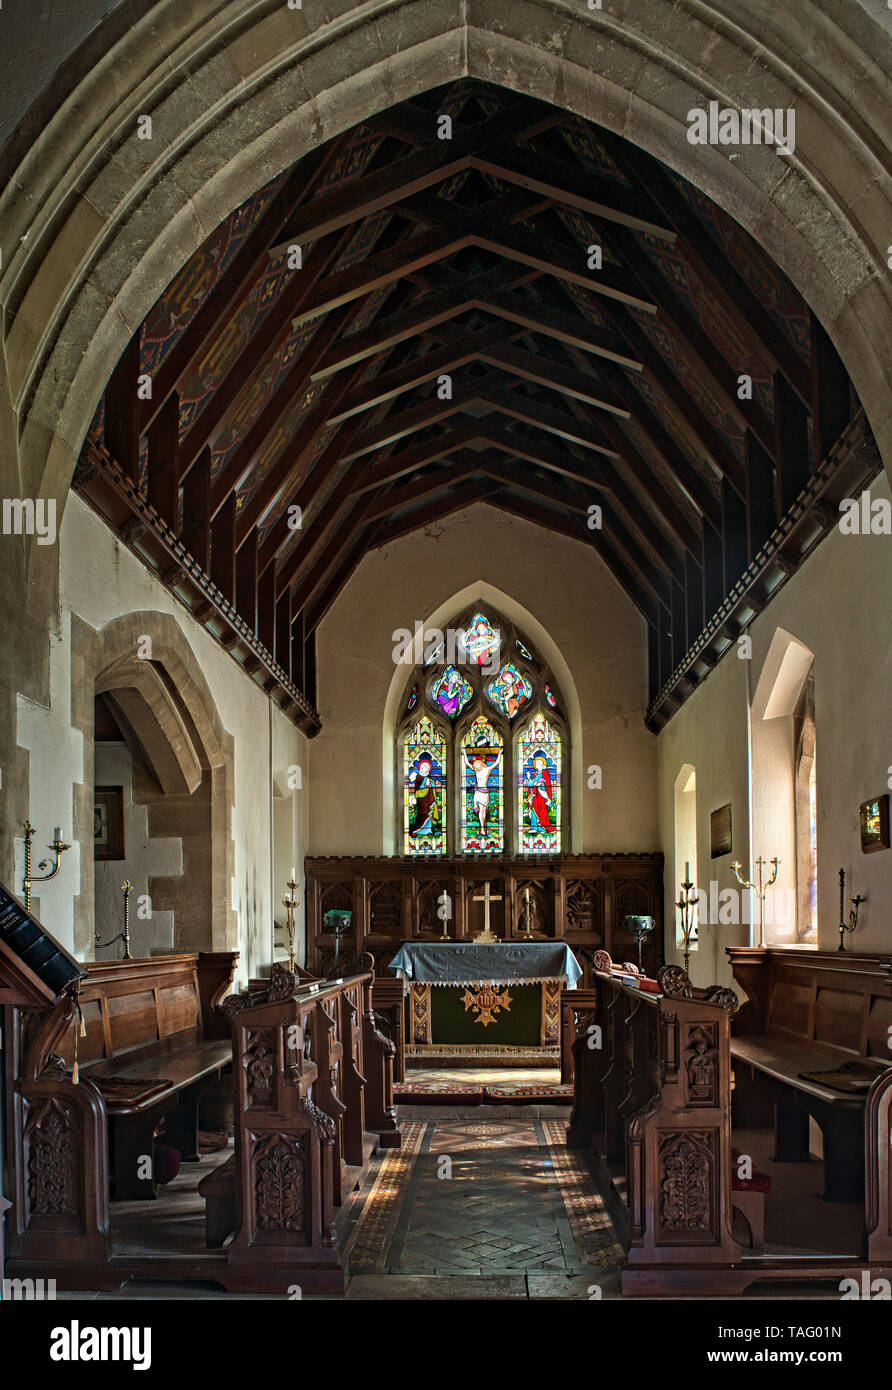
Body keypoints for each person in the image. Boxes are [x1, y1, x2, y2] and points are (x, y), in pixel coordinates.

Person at [409, 755, 437, 835]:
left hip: (429, 800)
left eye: (427, 767)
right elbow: (417, 787)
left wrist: (430, 784)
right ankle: (418, 830)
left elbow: (433, 785)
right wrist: (425, 784)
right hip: (421, 800)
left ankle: (428, 830)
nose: (425, 768)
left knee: (429, 814)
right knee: (421, 814)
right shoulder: (418, 777)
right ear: (420, 768)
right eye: (424, 766)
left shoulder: (429, 778)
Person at [524, 753, 553, 830]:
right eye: (535, 763)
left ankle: (543, 827)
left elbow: (544, 783)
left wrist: (535, 783)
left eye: (538, 763)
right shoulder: (536, 773)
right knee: (533, 811)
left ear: (543, 765)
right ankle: (534, 827)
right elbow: (531, 783)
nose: (536, 764)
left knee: (542, 811)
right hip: (534, 795)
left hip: (541, 796)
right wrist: (529, 777)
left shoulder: (545, 772)